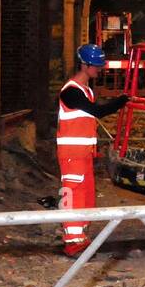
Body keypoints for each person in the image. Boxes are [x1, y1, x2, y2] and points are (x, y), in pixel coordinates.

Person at [56, 44, 129, 255]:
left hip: (83, 153)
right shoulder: (71, 92)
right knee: (73, 193)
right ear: (85, 65)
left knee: (85, 194)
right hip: (72, 155)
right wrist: (121, 101)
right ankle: (72, 240)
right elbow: (98, 111)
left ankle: (80, 235)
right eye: (96, 66)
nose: (100, 69)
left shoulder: (85, 91)